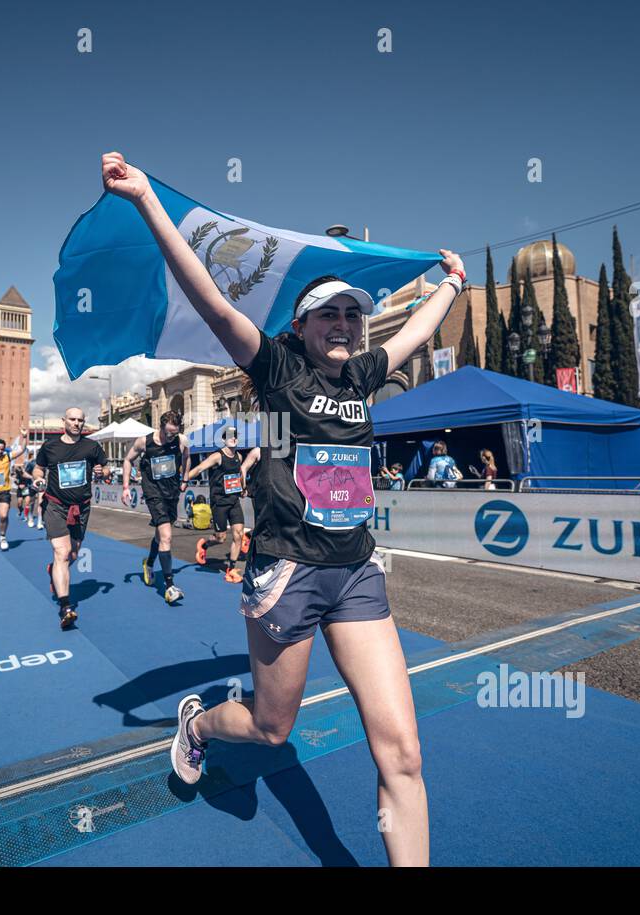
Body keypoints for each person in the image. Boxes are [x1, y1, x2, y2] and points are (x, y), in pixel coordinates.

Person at [102, 150, 456, 865]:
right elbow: (210, 297)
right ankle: (199, 728)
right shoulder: (274, 368)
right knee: (270, 730)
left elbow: (414, 333)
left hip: (355, 572)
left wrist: (450, 284)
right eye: (329, 312)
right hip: (287, 574)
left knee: (405, 755)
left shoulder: (361, 374)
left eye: (353, 314)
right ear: (300, 325)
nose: (345, 322)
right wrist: (146, 201)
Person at [32, 408, 107, 630]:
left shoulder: (91, 446)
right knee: (62, 553)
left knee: (72, 554)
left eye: (80, 420)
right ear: (64, 421)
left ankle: (53, 570)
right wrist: (37, 480)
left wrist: (102, 471)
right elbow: (38, 469)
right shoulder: (50, 446)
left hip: (81, 507)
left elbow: (103, 466)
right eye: (72, 419)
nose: (76, 423)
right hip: (55, 505)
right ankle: (65, 607)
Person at [122, 409, 190, 604]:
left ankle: (149, 562)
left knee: (161, 536)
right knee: (167, 536)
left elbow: (186, 457)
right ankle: (169, 587)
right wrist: (126, 487)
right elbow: (128, 460)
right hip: (153, 491)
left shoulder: (182, 440)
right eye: (168, 433)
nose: (171, 437)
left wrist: (185, 478)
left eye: (174, 433)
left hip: (172, 491)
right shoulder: (144, 441)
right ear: (160, 427)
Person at [185, 425, 246, 583]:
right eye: (230, 436)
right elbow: (198, 469)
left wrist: (243, 488)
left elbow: (239, 475)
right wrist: (183, 481)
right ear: (224, 440)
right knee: (221, 538)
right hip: (219, 502)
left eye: (235, 436)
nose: (233, 438)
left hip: (234, 500)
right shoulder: (217, 456)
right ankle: (204, 545)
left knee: (238, 534)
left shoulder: (238, 457)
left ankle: (231, 569)